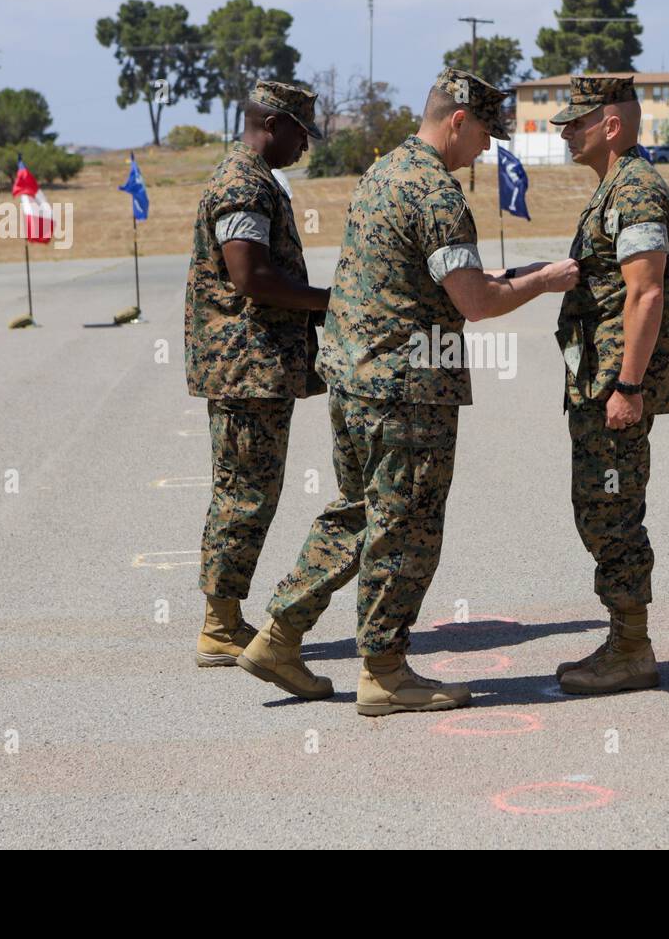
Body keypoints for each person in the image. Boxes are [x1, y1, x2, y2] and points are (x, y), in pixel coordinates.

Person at [239, 68, 580, 715]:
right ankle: (385, 671)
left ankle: (278, 636)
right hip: (406, 392)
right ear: (458, 120)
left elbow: (429, 274)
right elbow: (474, 300)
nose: (486, 147)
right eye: (484, 133)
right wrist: (544, 281)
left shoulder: (384, 172)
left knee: (358, 513)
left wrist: (518, 272)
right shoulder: (437, 192)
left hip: (355, 379)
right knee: (406, 526)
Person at [549, 75, 669, 695]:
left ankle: (632, 649)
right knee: (600, 507)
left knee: (614, 511)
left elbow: (646, 291)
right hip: (598, 381)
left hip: (614, 387)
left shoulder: (635, 191)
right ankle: (623, 639)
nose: (565, 132)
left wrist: (629, 386)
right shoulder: (614, 188)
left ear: (610, 126)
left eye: (576, 122)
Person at [184, 80, 330, 668]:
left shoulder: (255, 178)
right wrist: (330, 301)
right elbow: (251, 278)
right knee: (244, 493)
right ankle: (219, 626)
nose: (304, 145)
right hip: (246, 368)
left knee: (247, 490)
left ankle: (224, 618)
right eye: (299, 132)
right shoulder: (243, 184)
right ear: (271, 124)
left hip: (255, 366)